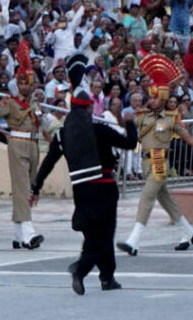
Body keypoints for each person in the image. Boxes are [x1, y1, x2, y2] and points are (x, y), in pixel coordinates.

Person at [31, 54, 138, 294]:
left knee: (94, 233)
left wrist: (35, 188)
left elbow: (48, 162)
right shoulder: (99, 129)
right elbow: (131, 143)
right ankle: (81, 269)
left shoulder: (63, 134)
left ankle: (107, 277)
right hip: (105, 186)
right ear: (90, 107)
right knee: (103, 234)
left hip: (81, 189)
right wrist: (130, 122)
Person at [118, 54, 193, 256]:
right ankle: (188, 231)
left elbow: (189, 139)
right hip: (145, 162)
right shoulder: (143, 116)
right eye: (151, 96)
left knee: (146, 198)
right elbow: (126, 124)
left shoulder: (171, 119)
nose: (152, 99)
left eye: (156, 97)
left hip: (159, 161)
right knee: (167, 201)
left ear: (164, 98)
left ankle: (134, 240)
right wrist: (133, 115)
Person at [0, 85, 44, 249]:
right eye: (22, 82)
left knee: (30, 189)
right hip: (18, 142)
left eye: (28, 81)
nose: (25, 86)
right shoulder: (10, 102)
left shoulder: (34, 104)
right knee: (23, 188)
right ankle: (29, 234)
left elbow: (41, 123)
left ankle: (18, 234)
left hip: (33, 143)